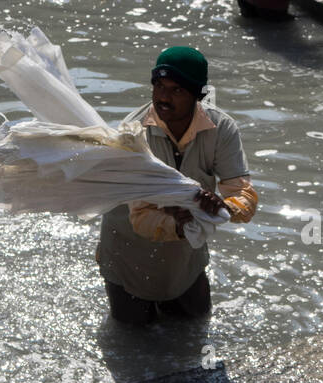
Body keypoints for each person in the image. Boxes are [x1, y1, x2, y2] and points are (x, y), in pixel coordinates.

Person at [97, 47, 258, 325]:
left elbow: (241, 191)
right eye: (158, 86)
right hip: (128, 247)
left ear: (198, 95)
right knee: (131, 338)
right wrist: (180, 224)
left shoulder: (221, 128)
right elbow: (141, 215)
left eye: (176, 91)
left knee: (195, 326)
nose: (163, 97)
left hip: (185, 256)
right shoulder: (133, 133)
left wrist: (223, 206)